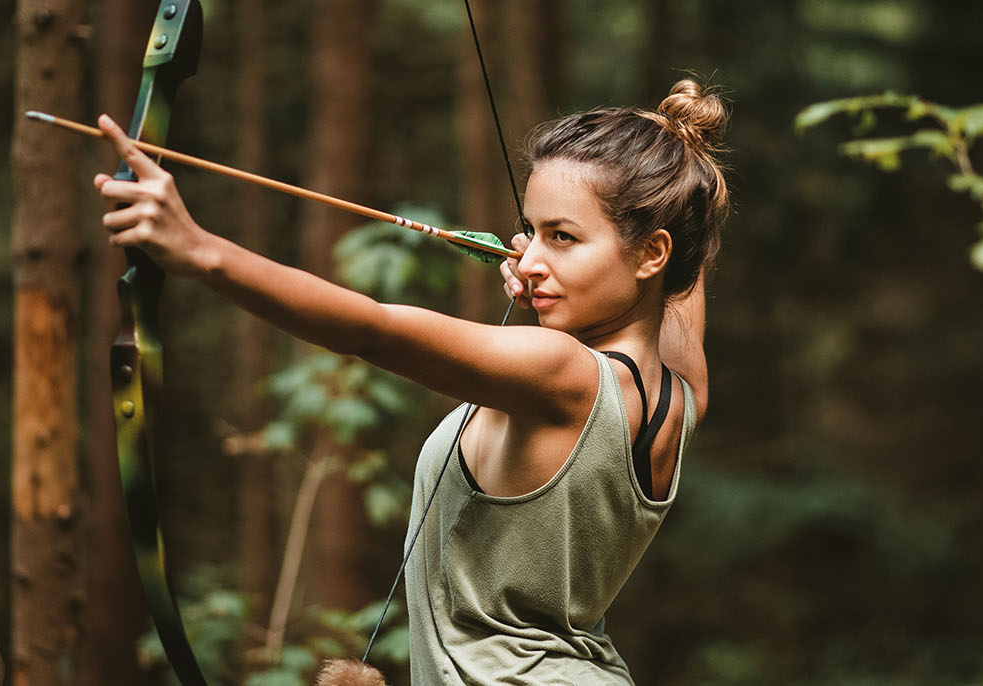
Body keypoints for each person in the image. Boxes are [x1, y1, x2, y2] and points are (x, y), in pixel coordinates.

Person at [93, 78, 729, 685]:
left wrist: (199, 249)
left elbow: (373, 329)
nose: (528, 259)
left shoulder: (560, 373)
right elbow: (683, 271)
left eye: (563, 237)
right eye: (530, 231)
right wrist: (659, 172)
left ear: (652, 254)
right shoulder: (681, 395)